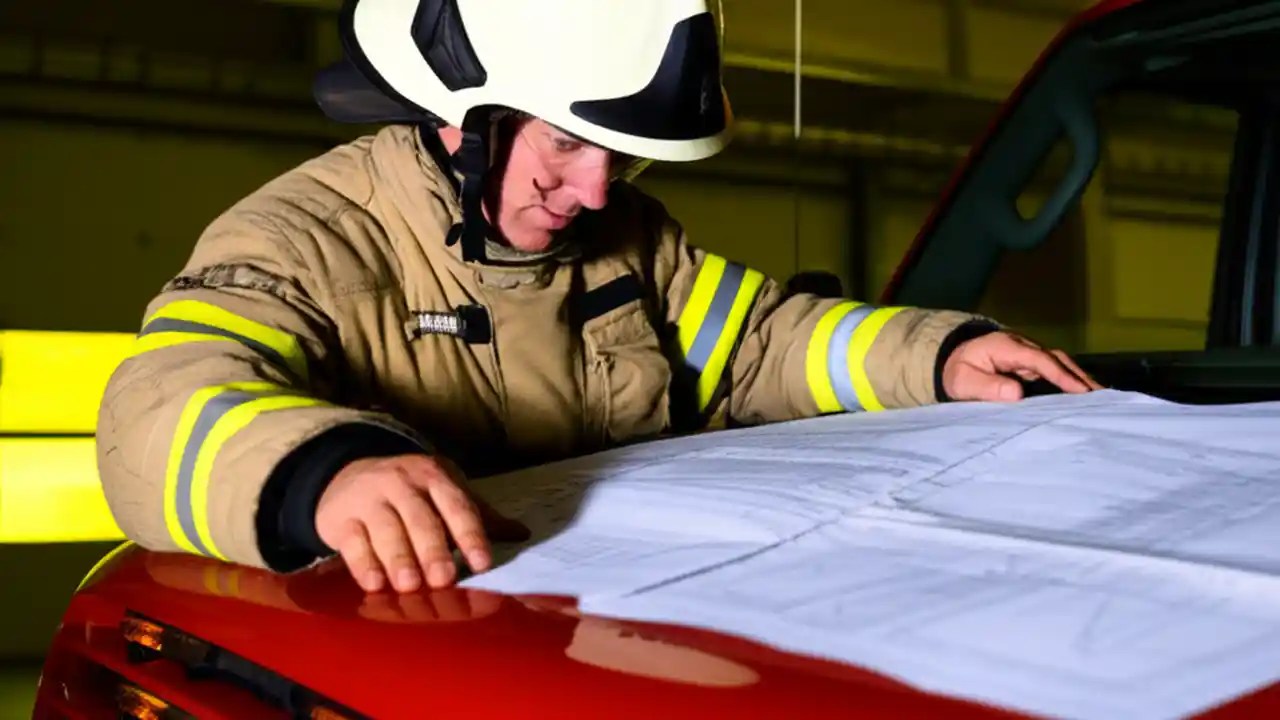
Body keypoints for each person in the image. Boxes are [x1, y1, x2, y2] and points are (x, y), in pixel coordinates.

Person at [96, 0, 1100, 596]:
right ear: (459, 112)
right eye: (566, 142)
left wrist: (934, 354)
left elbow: (761, 345)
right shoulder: (303, 237)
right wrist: (323, 474)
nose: (590, 192)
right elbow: (157, 410)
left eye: (614, 159)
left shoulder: (628, 236)